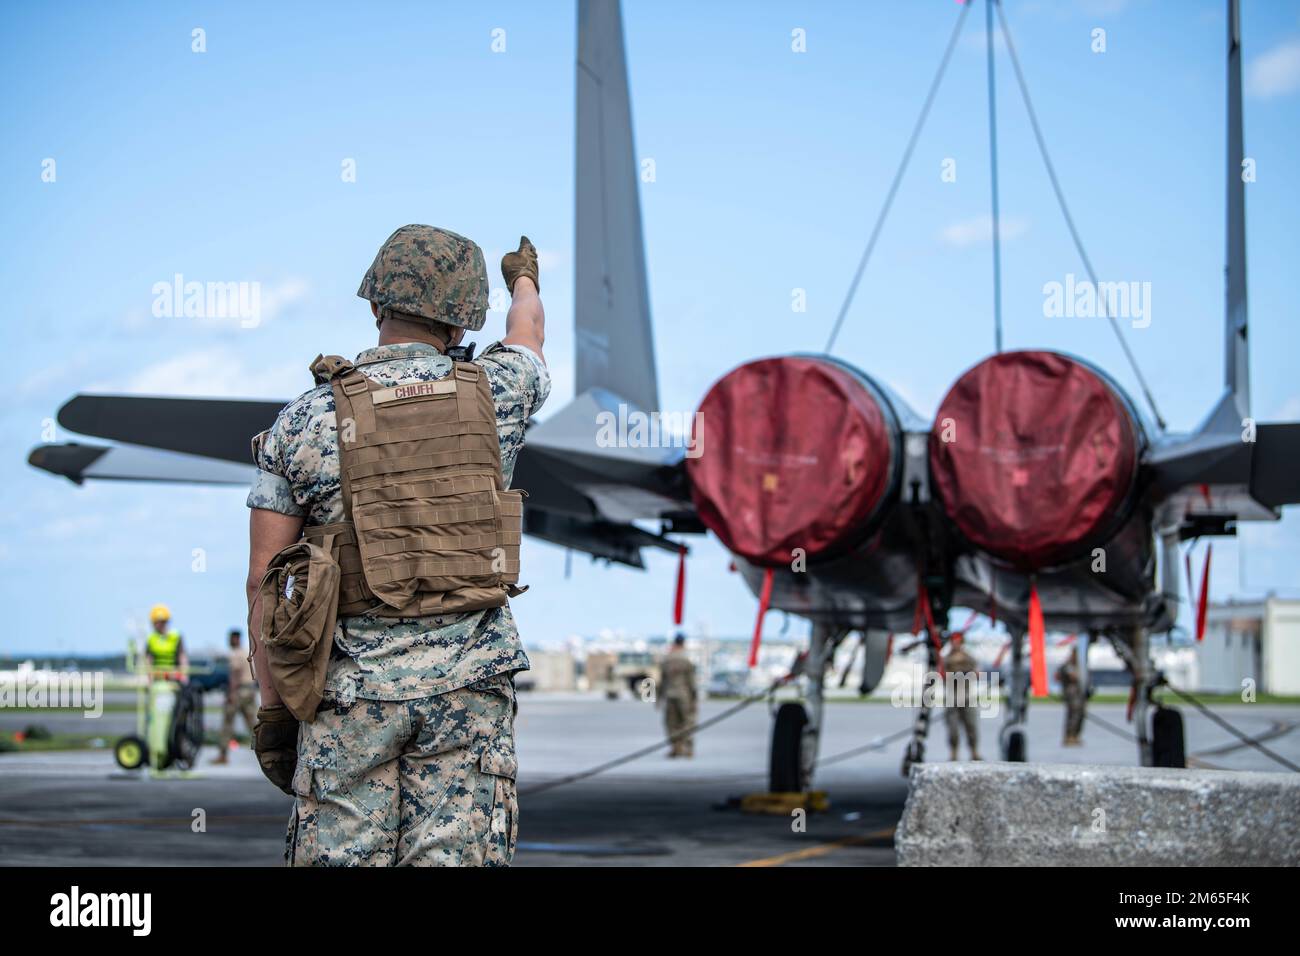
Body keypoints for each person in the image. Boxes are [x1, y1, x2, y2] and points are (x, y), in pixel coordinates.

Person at [246, 226, 547, 867]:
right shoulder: (499, 393)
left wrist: (275, 711)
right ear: (464, 317)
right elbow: (529, 336)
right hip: (467, 692)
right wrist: (523, 278)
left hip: (349, 697)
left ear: (377, 304)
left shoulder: (304, 419)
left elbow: (265, 585)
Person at [212, 629, 258, 765]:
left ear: (235, 639)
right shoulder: (246, 652)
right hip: (249, 690)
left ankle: (222, 754)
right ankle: (265, 752)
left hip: (239, 691)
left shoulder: (235, 654)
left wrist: (231, 694)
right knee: (253, 725)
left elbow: (235, 675)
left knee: (227, 722)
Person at [659, 634, 698, 757]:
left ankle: (675, 748)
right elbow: (691, 682)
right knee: (687, 721)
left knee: (671, 723)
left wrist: (658, 699)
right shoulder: (687, 660)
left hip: (670, 695)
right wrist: (694, 699)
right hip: (684, 695)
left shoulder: (667, 659)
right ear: (683, 643)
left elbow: (662, 681)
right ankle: (688, 748)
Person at [943, 635, 981, 761]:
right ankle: (953, 752)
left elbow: (977, 673)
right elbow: (942, 675)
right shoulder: (946, 659)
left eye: (958, 642)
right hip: (952, 697)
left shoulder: (969, 658)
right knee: (952, 727)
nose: (955, 644)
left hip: (966, 697)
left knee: (971, 725)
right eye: (954, 642)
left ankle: (974, 751)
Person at [144, 604, 187, 681]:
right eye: (156, 622)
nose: (158, 625)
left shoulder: (176, 636)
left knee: (189, 688)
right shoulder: (151, 638)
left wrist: (184, 676)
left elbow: (182, 657)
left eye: (161, 622)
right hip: (157, 674)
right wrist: (149, 678)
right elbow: (148, 659)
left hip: (174, 673)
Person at [1057, 646, 1086, 746]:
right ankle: (1069, 736)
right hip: (1071, 694)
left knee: (1079, 715)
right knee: (1072, 716)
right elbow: (1072, 677)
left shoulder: (1077, 665)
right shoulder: (1068, 665)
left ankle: (1075, 736)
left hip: (1078, 694)